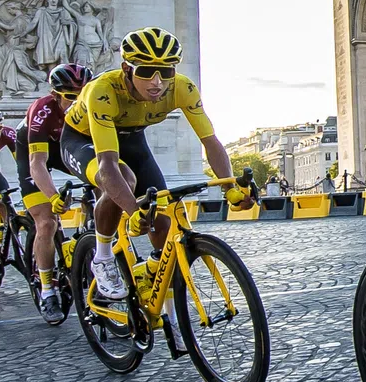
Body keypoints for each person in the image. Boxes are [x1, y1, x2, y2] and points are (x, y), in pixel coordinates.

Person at [60, 27, 249, 346]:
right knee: (123, 180)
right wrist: (132, 211)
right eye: (146, 72)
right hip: (84, 141)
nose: (157, 82)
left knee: (162, 220)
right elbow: (107, 166)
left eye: (166, 72)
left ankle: (168, 311)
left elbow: (211, 142)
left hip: (133, 139)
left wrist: (230, 186)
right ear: (126, 70)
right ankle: (103, 256)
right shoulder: (102, 90)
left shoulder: (183, 88)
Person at [15, 62, 92, 323]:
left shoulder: (91, 106)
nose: (76, 103)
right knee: (46, 222)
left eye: (82, 96)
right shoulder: (42, 109)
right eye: (70, 97)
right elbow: (37, 164)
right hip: (36, 152)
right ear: (55, 94)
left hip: (66, 148)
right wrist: (53, 196)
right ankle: (48, 290)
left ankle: (90, 242)